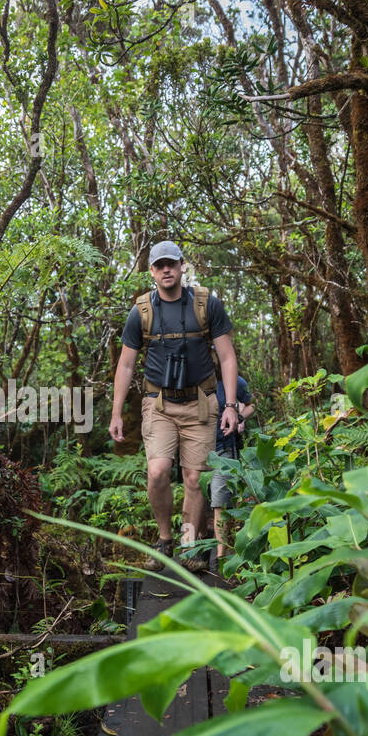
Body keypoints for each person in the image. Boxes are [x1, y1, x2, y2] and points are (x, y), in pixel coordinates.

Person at [109, 240, 239, 572]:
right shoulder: (141, 312)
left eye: (171, 264)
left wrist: (231, 405)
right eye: (159, 265)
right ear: (151, 271)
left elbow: (226, 356)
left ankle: (189, 544)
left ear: (182, 266)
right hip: (160, 404)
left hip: (201, 403)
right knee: (157, 471)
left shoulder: (206, 304)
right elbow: (125, 366)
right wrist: (117, 413)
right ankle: (164, 541)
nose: (166, 270)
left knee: (195, 479)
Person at [209, 374, 256, 564]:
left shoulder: (233, 381)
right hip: (195, 449)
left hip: (224, 448)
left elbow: (252, 403)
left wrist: (239, 417)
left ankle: (221, 555)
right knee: (195, 498)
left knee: (220, 503)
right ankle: (191, 548)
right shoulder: (191, 378)